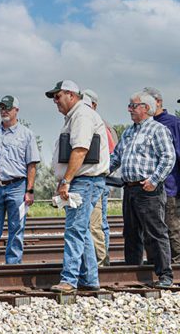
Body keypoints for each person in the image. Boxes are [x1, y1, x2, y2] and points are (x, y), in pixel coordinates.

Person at [45, 80, 109, 293]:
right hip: (84, 180)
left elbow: (80, 149)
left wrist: (67, 180)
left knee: (74, 229)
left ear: (71, 94)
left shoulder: (81, 115)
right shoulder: (76, 115)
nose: (55, 101)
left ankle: (69, 280)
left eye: (58, 96)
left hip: (84, 181)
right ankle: (90, 279)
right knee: (81, 230)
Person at [109, 90, 175, 288]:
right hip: (129, 189)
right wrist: (98, 172)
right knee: (130, 233)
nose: (129, 109)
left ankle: (165, 274)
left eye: (133, 105)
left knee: (155, 232)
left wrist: (154, 180)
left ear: (145, 108)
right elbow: (116, 158)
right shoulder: (129, 131)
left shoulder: (157, 129)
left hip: (148, 189)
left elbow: (168, 157)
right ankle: (132, 272)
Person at [0, 95, 41, 265]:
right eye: (1, 107)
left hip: (17, 187)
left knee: (17, 228)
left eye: (7, 108)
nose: (3, 111)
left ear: (16, 110)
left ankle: (13, 265)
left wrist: (30, 190)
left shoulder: (27, 135)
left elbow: (32, 165)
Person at [143, 87, 180, 263]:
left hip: (169, 184)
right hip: (148, 186)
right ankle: (157, 263)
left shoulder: (172, 123)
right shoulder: (144, 124)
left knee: (171, 225)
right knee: (152, 227)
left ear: (158, 102)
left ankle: (176, 263)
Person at [82, 88, 117, 266]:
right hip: (95, 179)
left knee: (97, 222)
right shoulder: (95, 122)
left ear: (94, 105)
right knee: (96, 222)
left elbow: (110, 155)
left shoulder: (99, 124)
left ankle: (101, 260)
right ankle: (98, 259)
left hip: (97, 179)